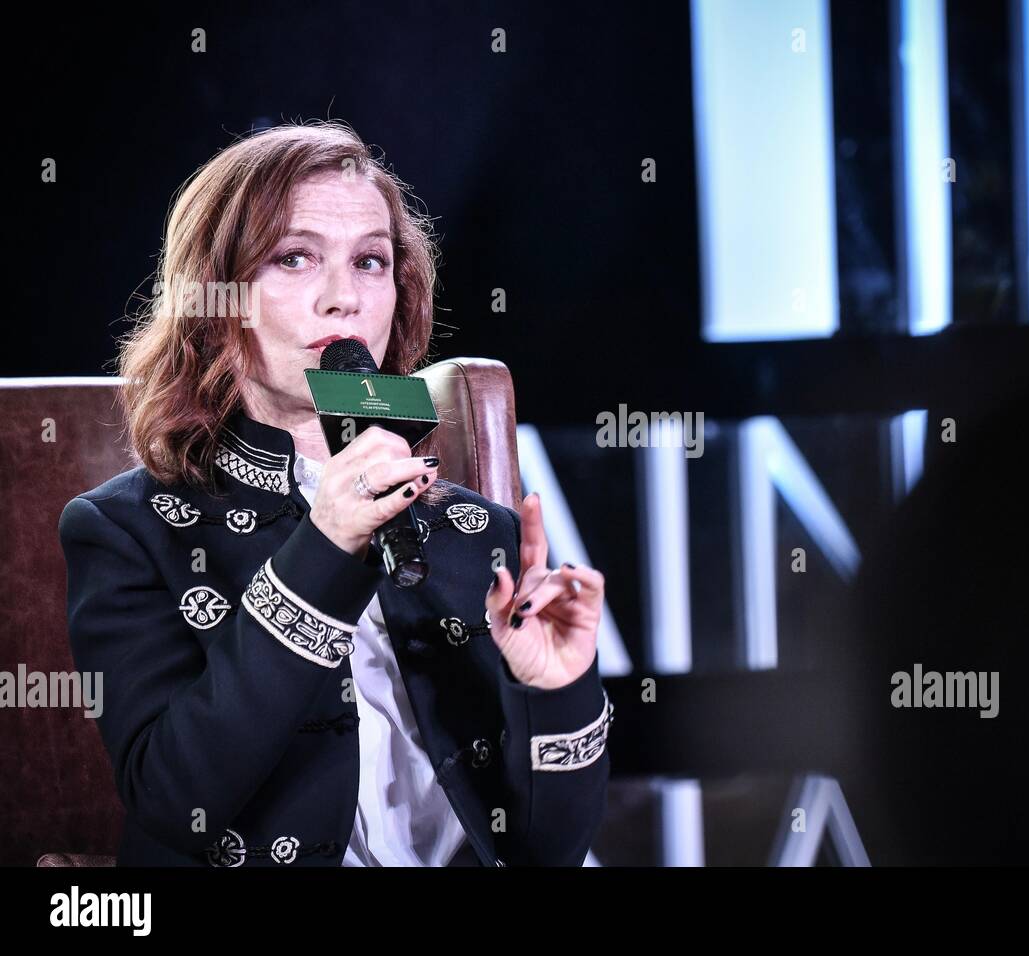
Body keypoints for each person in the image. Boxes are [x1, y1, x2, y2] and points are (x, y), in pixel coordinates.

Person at [57, 121, 613, 867]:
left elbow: (551, 851)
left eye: (371, 262)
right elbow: (173, 801)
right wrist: (323, 551)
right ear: (215, 299)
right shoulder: (124, 529)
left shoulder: (484, 531)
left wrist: (558, 691)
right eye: (295, 257)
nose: (343, 297)